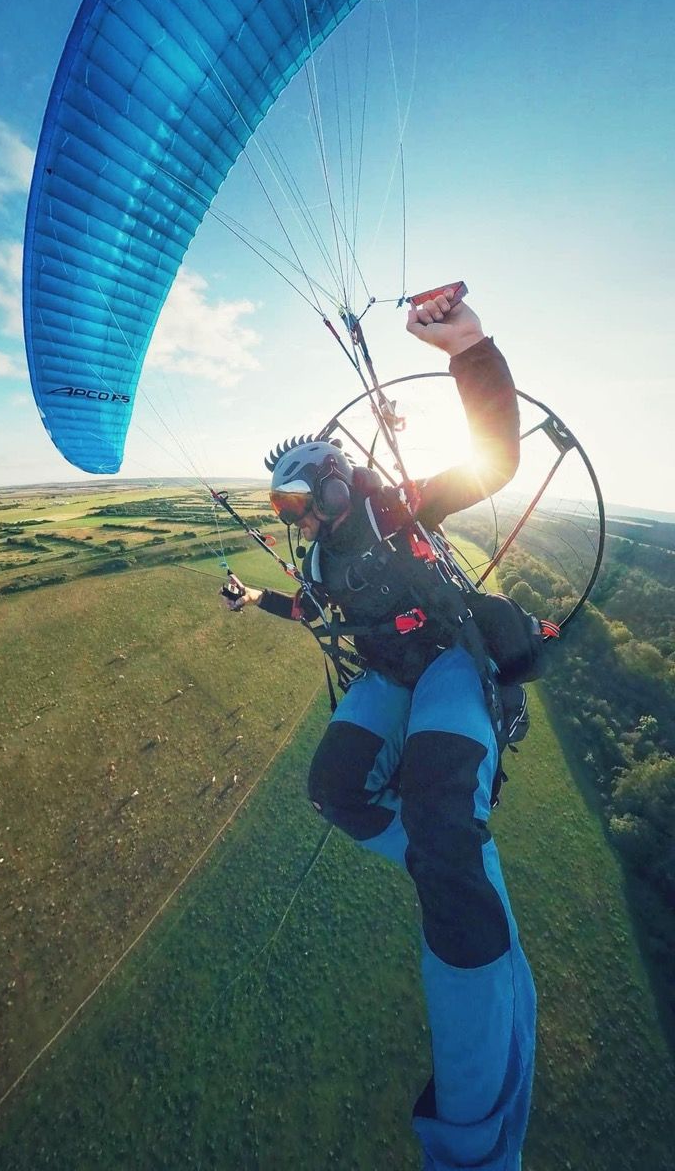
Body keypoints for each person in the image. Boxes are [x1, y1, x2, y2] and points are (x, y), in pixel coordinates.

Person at [223, 290, 536, 1171]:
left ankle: (473, 1146)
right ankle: (452, 862)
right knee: (333, 792)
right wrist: (258, 600)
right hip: (388, 677)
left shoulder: (394, 510)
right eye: (283, 510)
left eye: (297, 503)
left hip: (444, 663)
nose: (295, 521)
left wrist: (469, 349)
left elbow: (498, 461)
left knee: (439, 822)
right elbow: (317, 610)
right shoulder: (319, 554)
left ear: (329, 482)